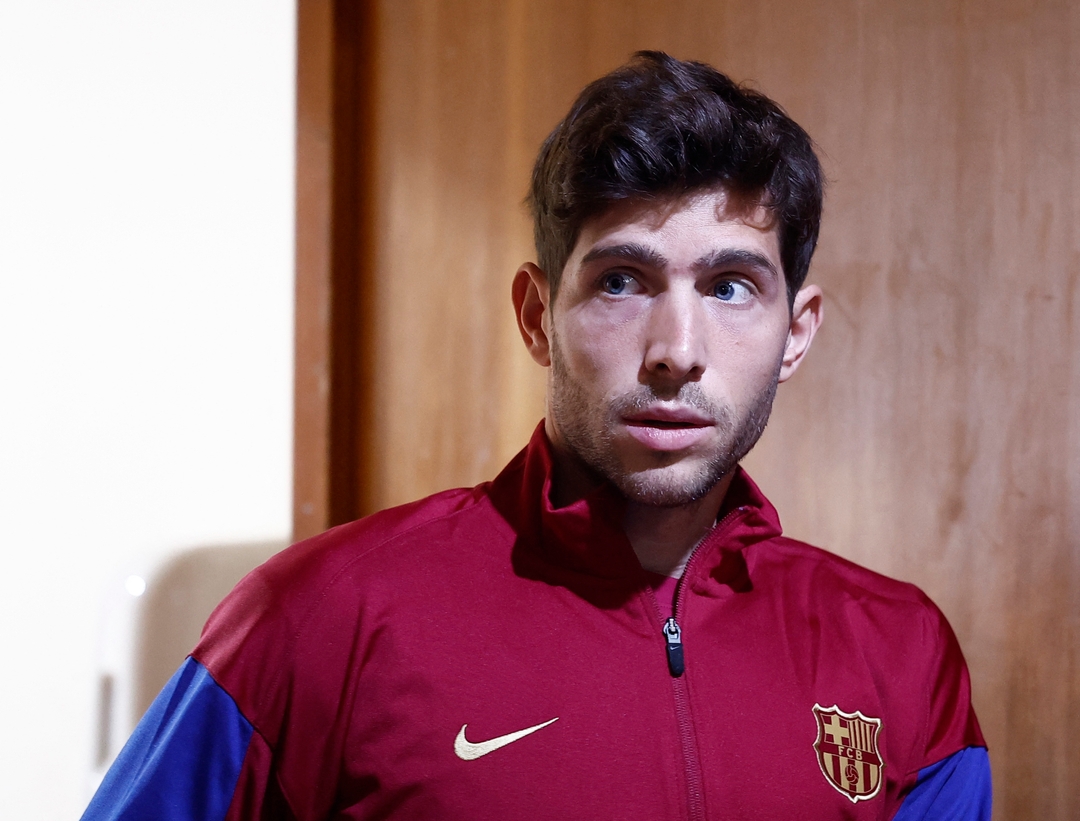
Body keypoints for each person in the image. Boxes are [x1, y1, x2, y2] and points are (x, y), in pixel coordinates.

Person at [82, 51, 990, 820]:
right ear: (536, 315)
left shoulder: (902, 658)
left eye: (729, 287)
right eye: (622, 281)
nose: (676, 350)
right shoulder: (317, 618)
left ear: (796, 332)